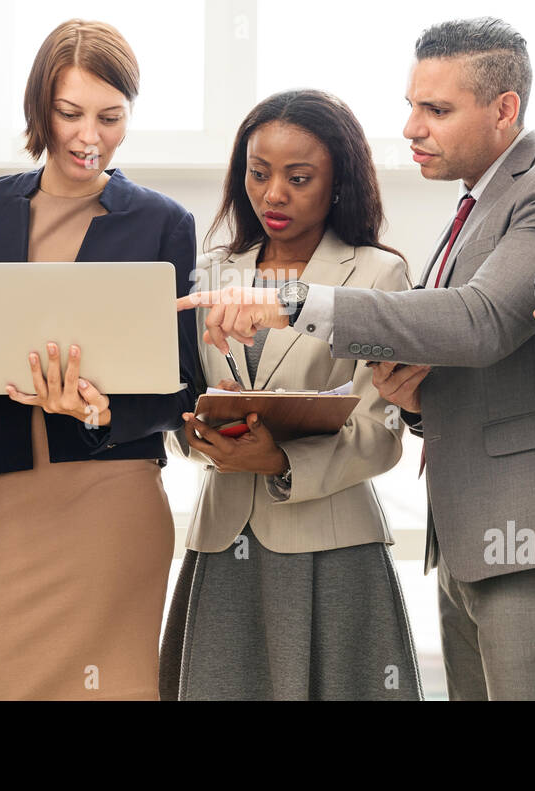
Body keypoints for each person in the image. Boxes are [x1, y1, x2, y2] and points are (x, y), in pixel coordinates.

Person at [177, 19, 535, 700]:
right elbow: (474, 360)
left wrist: (291, 302)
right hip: (466, 533)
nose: (412, 126)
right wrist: (415, 400)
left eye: (436, 109)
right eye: (411, 105)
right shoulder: (471, 208)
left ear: (505, 109)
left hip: (533, 529)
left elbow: (480, 321)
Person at [0, 19, 198, 700]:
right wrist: (2, 366)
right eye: (69, 113)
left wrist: (99, 406)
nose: (88, 136)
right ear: (42, 108)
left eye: (110, 116)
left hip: (112, 499)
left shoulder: (164, 222)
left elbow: (182, 390)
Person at [160, 90, 422, 700]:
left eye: (299, 178)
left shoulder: (376, 275)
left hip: (332, 550)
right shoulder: (214, 271)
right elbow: (180, 403)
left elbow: (382, 436)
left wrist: (279, 460)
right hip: (222, 542)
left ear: (338, 184)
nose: (273, 193)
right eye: (258, 173)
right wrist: (197, 436)